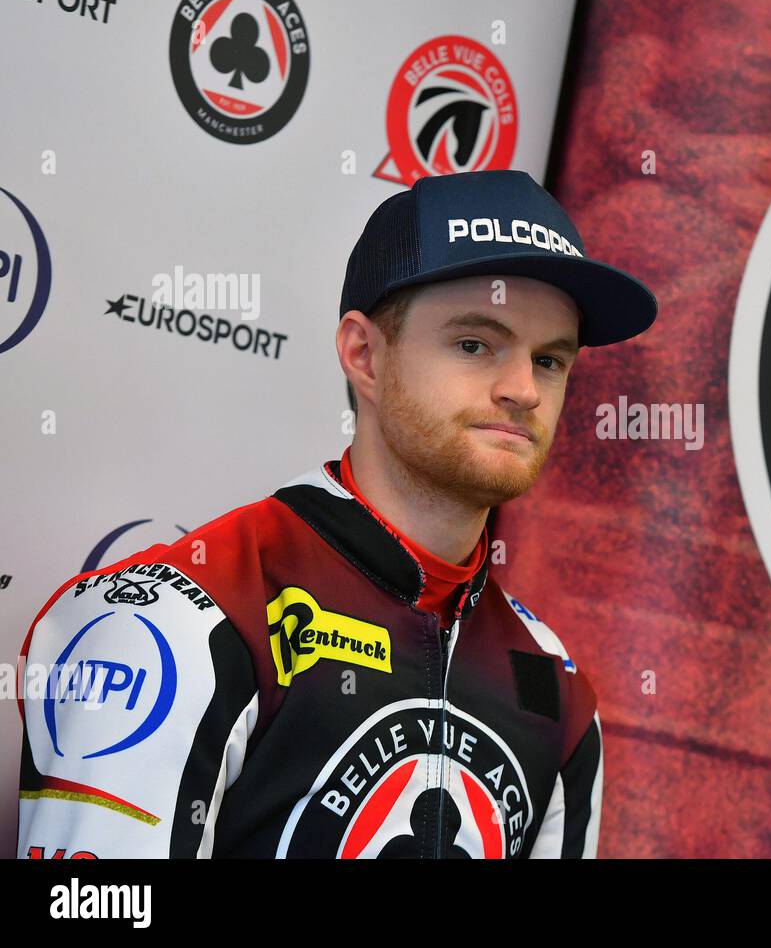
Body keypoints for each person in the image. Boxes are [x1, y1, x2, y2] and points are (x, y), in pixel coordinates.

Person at [14, 169, 658, 858]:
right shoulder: (181, 623)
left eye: (551, 360)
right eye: (475, 344)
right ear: (364, 356)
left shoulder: (559, 694)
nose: (523, 389)